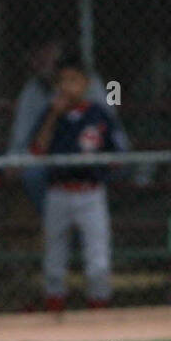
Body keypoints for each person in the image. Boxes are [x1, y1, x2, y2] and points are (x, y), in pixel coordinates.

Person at [30, 56, 127, 312]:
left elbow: (117, 156)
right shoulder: (50, 114)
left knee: (98, 264)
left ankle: (98, 317)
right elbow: (37, 150)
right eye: (62, 81)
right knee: (54, 261)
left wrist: (96, 165)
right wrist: (53, 115)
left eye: (74, 80)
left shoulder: (98, 114)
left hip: (90, 192)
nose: (67, 87)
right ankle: (55, 317)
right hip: (58, 192)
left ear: (86, 83)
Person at [7, 37, 107, 216]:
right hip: (53, 160)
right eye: (35, 54)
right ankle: (56, 222)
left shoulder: (91, 83)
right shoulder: (33, 90)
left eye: (46, 52)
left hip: (91, 158)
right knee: (33, 175)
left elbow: (110, 131)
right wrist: (16, 159)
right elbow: (23, 138)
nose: (40, 59)